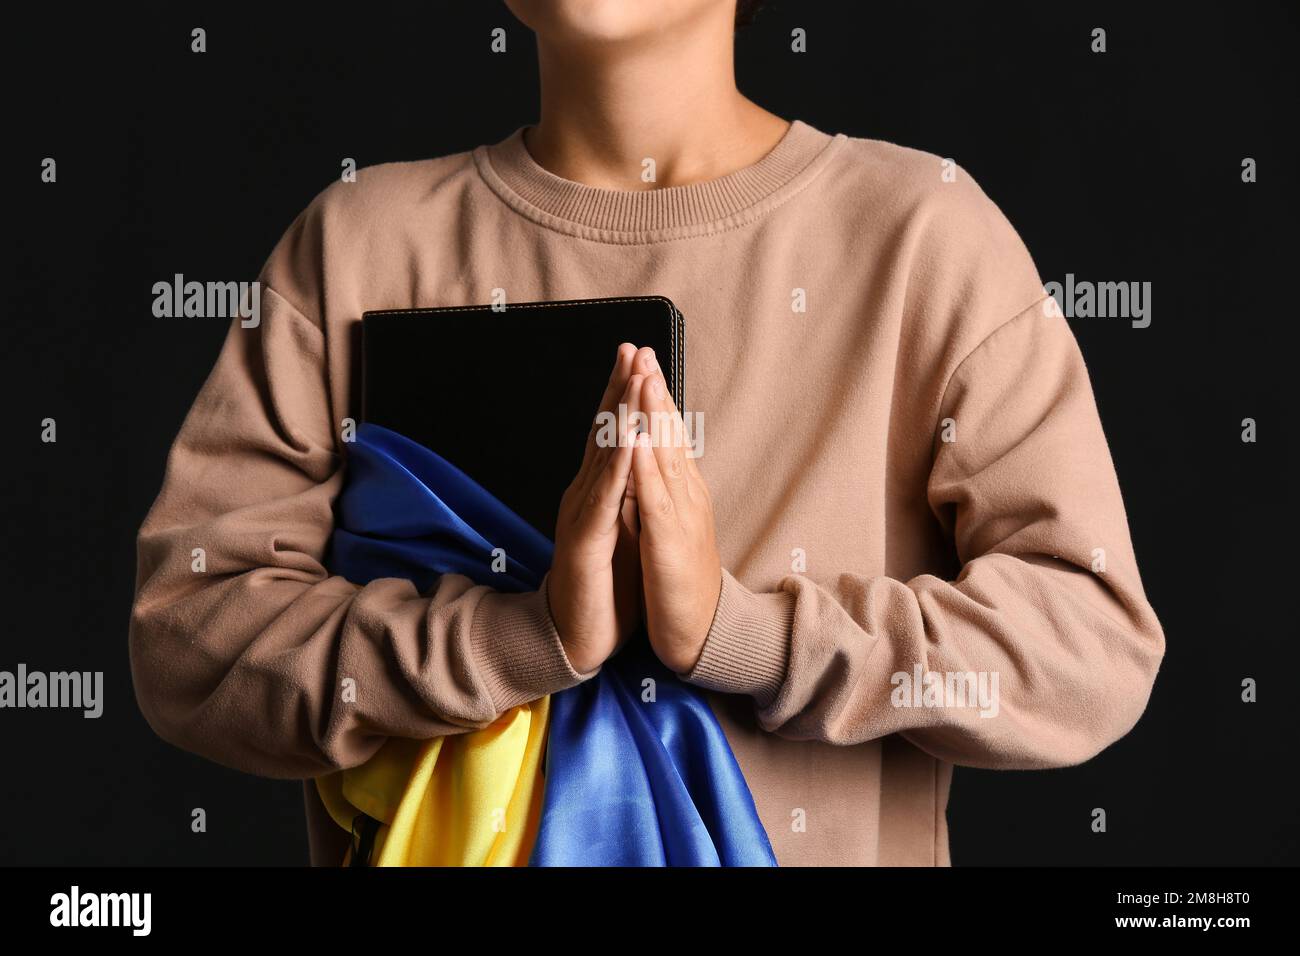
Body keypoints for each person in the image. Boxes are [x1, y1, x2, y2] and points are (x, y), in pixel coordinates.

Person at [129, 0, 1165, 866]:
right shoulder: (354, 244)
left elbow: (1090, 648)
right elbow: (190, 644)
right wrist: (518, 638)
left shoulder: (922, 236)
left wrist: (741, 631)